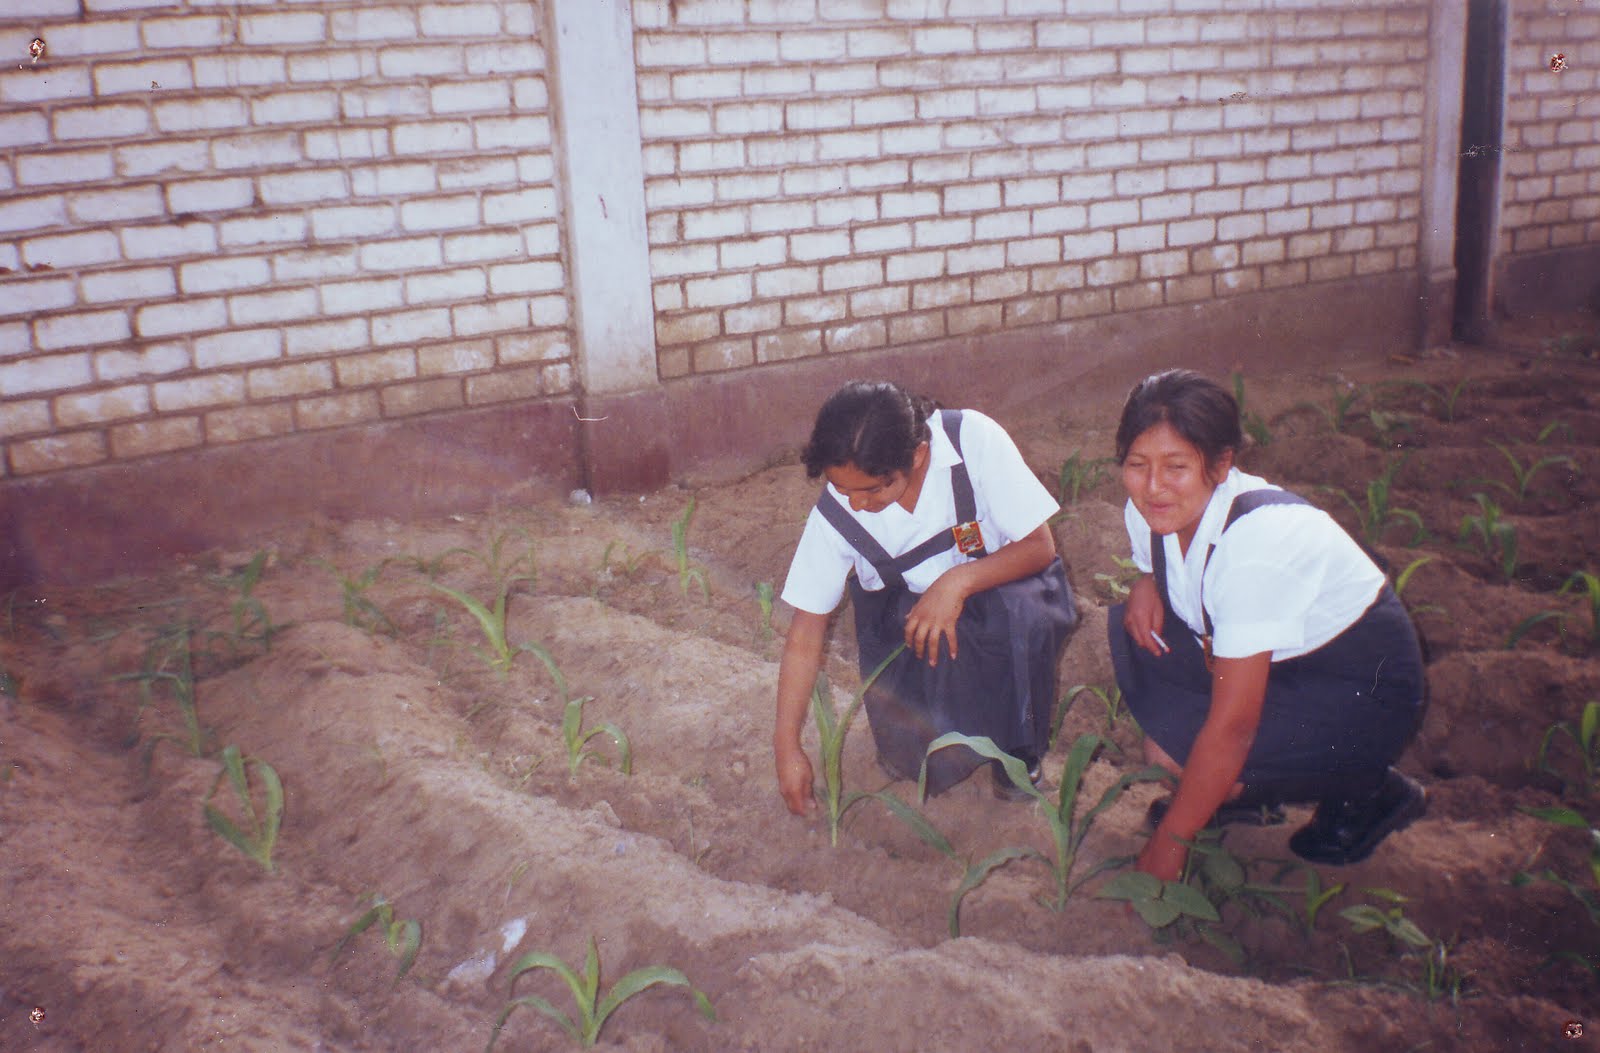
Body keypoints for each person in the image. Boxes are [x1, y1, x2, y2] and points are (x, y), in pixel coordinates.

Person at [1109, 369, 1427, 880]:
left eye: (1176, 467)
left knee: (1184, 758)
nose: (1152, 488)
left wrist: (1171, 842)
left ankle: (1369, 790)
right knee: (1164, 747)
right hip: (1288, 665)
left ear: (1220, 464)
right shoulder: (1151, 511)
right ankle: (1240, 796)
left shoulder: (1252, 549)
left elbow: (1233, 728)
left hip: (1363, 687)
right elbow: (1157, 549)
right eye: (1136, 465)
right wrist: (1148, 579)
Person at [773, 380, 1078, 812]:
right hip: (907, 626)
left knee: (1017, 617)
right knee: (916, 761)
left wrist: (955, 582)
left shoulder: (970, 441)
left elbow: (1039, 547)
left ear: (917, 457)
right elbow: (805, 632)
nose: (857, 504)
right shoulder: (836, 514)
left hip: (999, 597)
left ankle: (1017, 755)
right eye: (844, 490)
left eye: (873, 490)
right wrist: (786, 746)